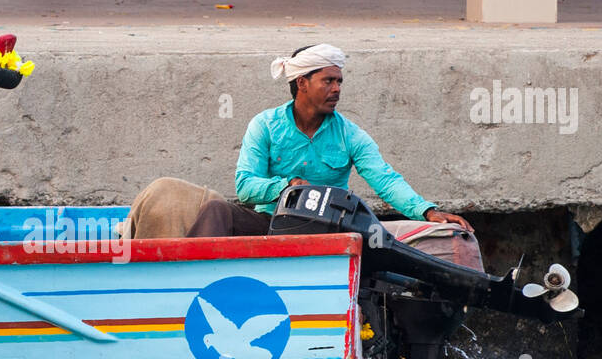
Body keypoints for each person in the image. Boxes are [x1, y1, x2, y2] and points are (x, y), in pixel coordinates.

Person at [188, 43, 471, 237]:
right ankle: (189, 290)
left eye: (339, 82)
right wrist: (287, 186)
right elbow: (246, 187)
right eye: (328, 81)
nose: (336, 89)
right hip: (269, 223)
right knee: (217, 210)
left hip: (325, 228)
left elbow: (385, 180)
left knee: (372, 238)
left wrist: (427, 211)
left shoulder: (351, 135)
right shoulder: (265, 125)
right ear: (302, 83)